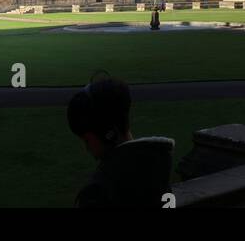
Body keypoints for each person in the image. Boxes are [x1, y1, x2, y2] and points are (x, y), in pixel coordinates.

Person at [67, 74, 174, 208]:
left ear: (108, 134)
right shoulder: (158, 165)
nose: (87, 148)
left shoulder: (97, 193)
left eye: (87, 140)